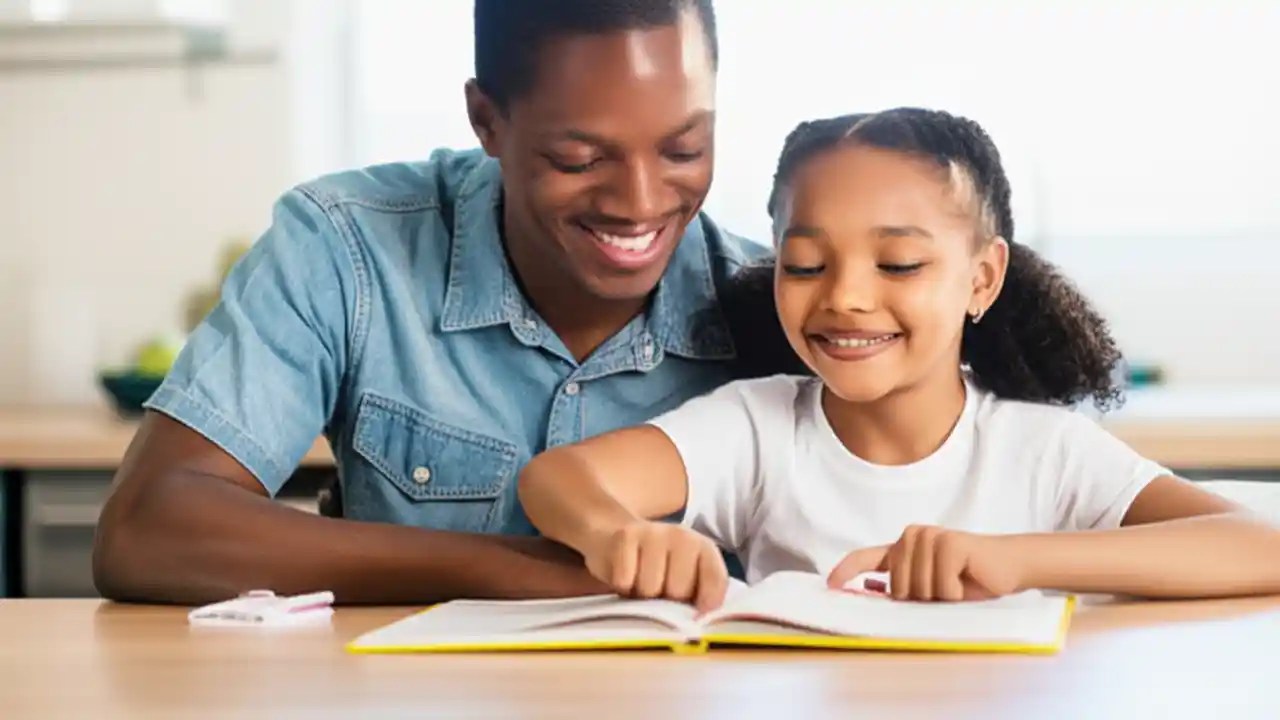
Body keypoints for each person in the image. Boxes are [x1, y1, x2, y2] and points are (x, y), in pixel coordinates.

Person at [92, 0, 769, 605]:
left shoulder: (781, 309)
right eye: (579, 159)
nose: (642, 201)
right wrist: (523, 572)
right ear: (488, 121)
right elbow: (147, 527)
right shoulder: (347, 249)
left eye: (685, 149)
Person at [518, 107, 1280, 612]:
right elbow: (560, 478)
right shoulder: (757, 429)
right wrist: (616, 534)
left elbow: (1260, 546)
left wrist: (1013, 561)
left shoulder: (1041, 451)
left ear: (980, 277)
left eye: (899, 265)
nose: (845, 298)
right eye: (807, 264)